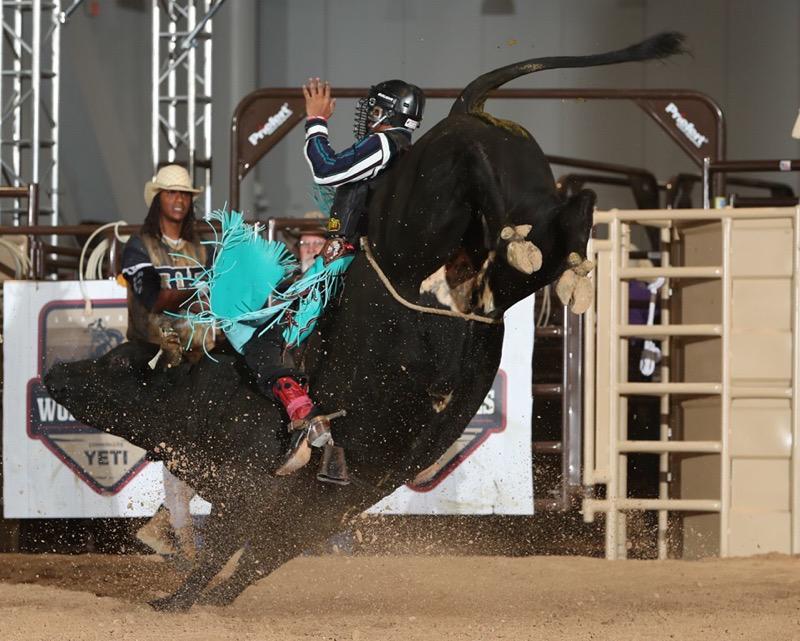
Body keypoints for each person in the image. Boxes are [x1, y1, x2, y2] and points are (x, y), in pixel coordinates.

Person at [240, 77, 425, 475]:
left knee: (266, 342)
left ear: (384, 111)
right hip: (361, 258)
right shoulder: (409, 153)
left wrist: (316, 122)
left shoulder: (384, 144)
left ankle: (303, 418)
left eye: (373, 107)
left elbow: (327, 170)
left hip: (344, 259)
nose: (367, 114)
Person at [123, 164, 211, 563]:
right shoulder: (138, 246)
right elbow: (149, 298)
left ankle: (166, 526)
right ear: (159, 199)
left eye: (184, 195)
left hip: (195, 354)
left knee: (192, 448)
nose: (179, 200)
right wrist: (198, 289)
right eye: (172, 194)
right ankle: (183, 540)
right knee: (182, 447)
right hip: (159, 355)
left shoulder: (199, 248)